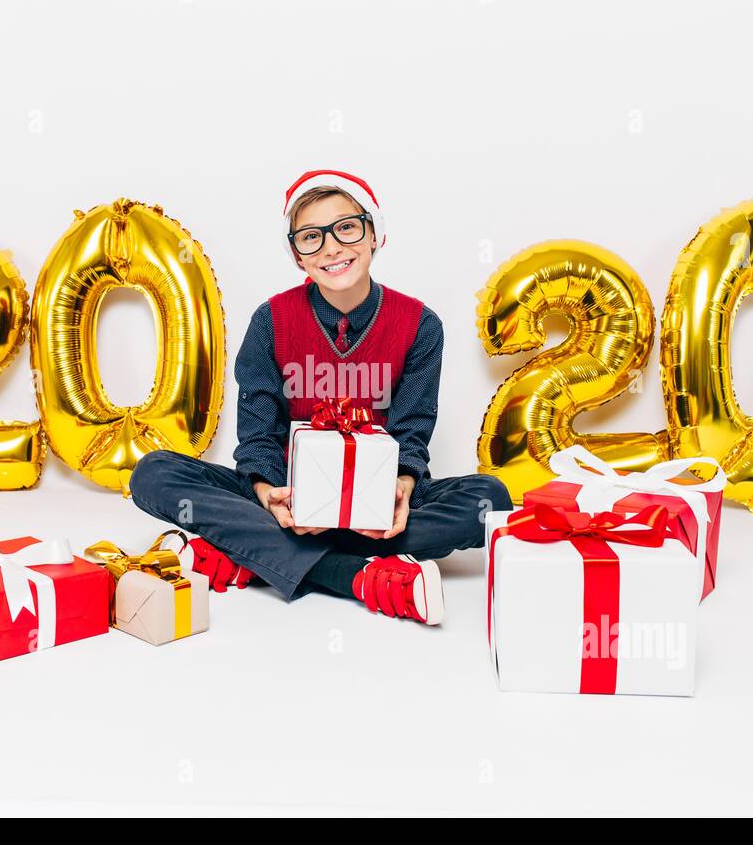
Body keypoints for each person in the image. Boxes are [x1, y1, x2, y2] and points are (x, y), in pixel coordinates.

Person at [129, 169, 512, 626]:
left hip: (376, 502)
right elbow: (257, 434)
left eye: (346, 228)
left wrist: (401, 491)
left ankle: (252, 553)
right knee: (154, 472)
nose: (332, 247)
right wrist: (270, 495)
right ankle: (352, 574)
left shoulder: (419, 325)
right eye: (311, 237)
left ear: (375, 235)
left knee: (489, 498)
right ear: (297, 256)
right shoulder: (271, 320)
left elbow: (412, 430)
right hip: (287, 498)